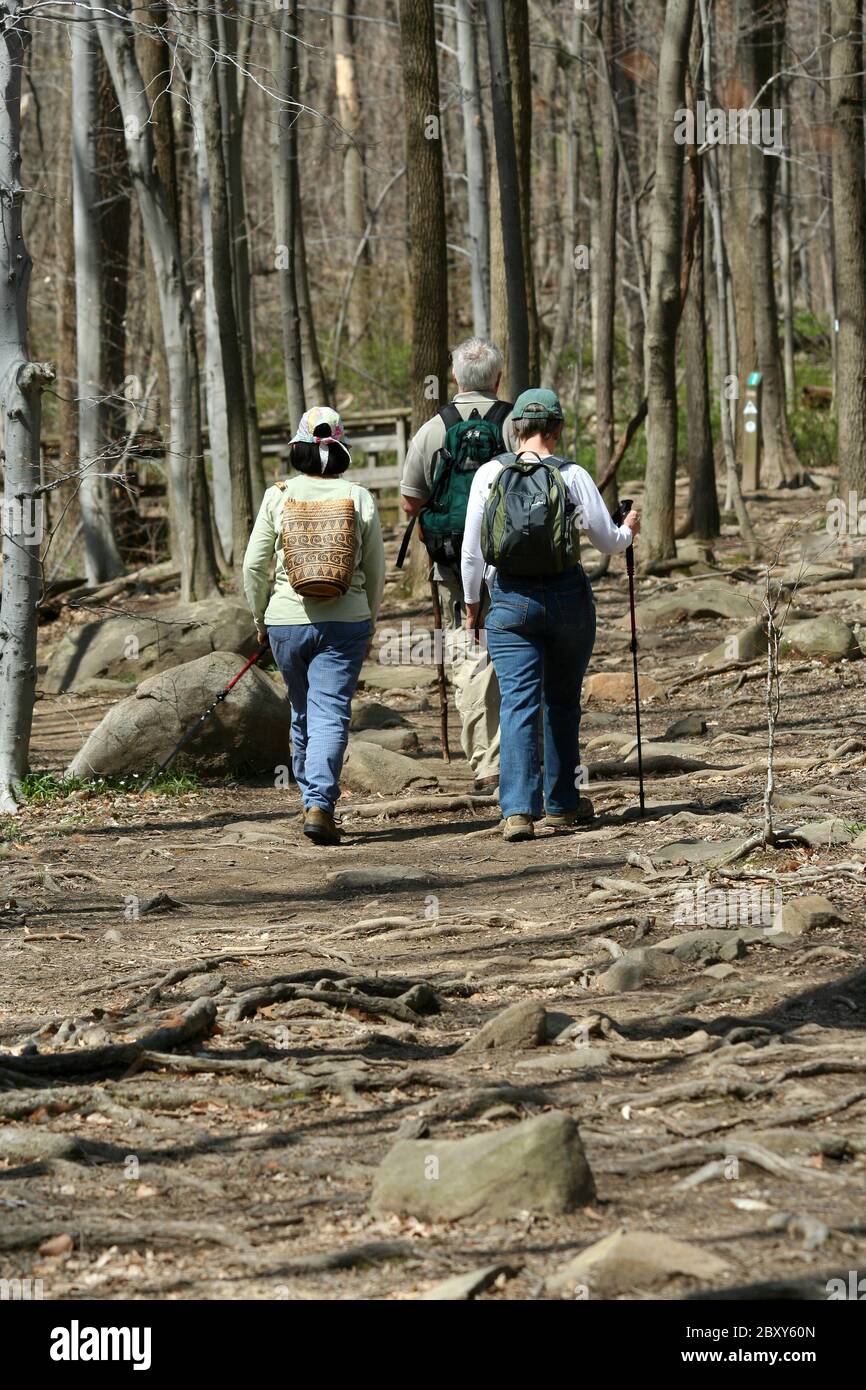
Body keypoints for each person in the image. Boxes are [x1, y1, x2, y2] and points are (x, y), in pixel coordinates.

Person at [461, 388, 640, 843]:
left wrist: (472, 603)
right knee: (561, 701)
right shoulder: (572, 475)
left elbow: (472, 552)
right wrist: (629, 531)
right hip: (567, 599)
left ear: (516, 429)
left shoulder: (488, 474)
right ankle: (561, 802)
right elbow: (607, 541)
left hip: (509, 600)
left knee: (518, 702)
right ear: (557, 429)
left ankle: (518, 811)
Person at [243, 406, 385, 847]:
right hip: (346, 620)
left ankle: (312, 799)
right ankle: (320, 803)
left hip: (286, 620)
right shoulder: (358, 496)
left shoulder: (278, 494)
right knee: (330, 710)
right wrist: (370, 618)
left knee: (303, 709)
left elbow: (253, 566)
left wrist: (260, 618)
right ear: (340, 446)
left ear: (300, 446)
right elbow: (376, 571)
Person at [399, 338, 517, 789]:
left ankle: (488, 764)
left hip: (451, 564)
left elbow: (411, 503)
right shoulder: (515, 425)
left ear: (454, 380)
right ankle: (526, 758)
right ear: (498, 378)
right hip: (512, 561)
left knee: (470, 655)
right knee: (519, 652)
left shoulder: (432, 430)